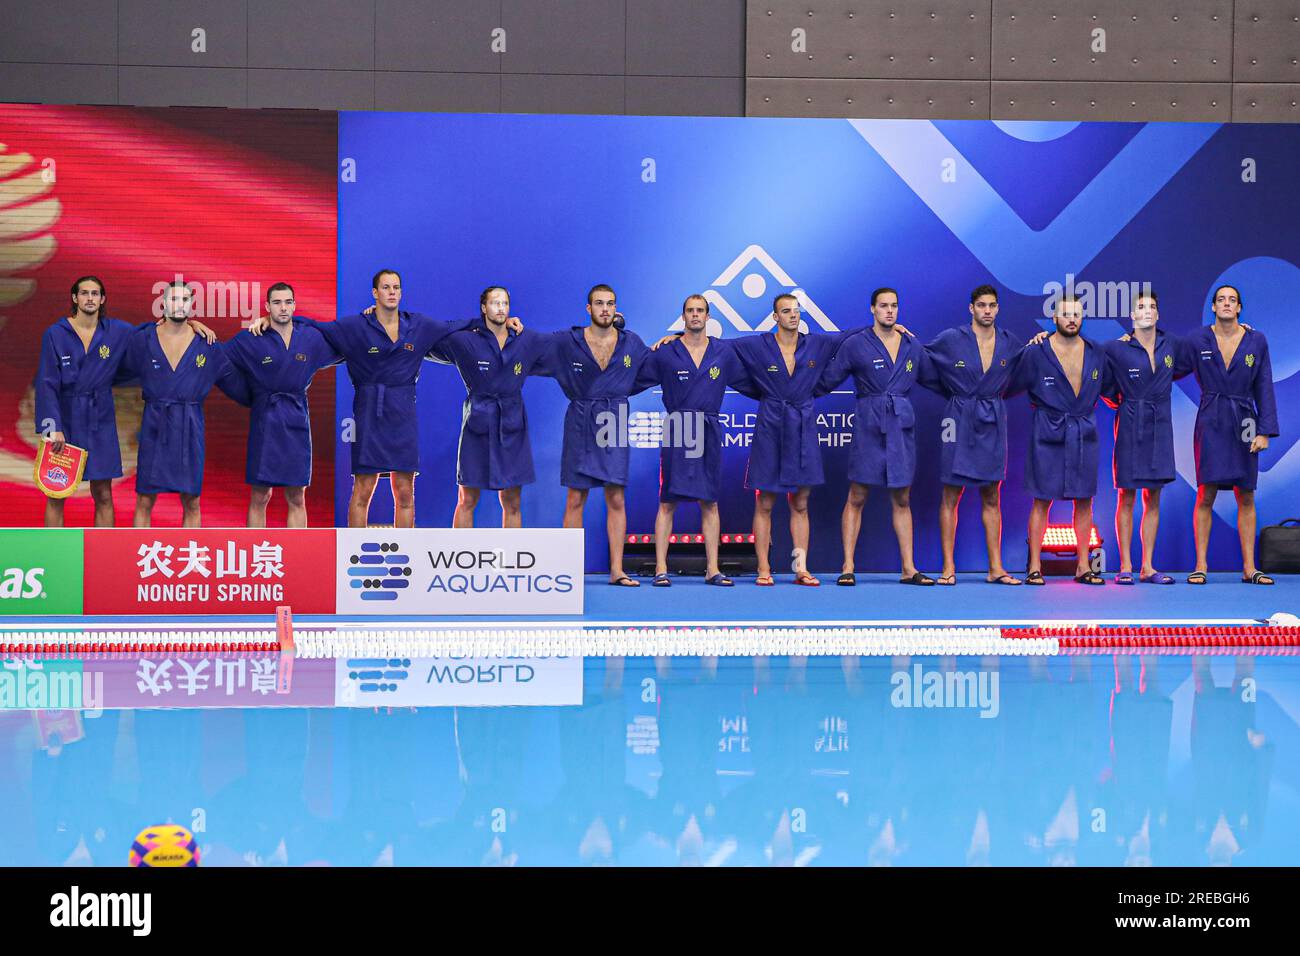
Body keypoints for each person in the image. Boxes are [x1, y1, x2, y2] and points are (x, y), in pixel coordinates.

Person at [250, 270, 515, 527]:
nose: (392, 292)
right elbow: (318, 326)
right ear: (375, 293)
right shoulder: (355, 326)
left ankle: (406, 553)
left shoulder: (418, 325)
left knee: (404, 490)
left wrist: (500, 322)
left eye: (396, 287)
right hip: (368, 413)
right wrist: (269, 322)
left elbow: (456, 325)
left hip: (403, 414)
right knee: (363, 489)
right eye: (386, 287)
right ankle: (353, 553)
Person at [33, 275, 215, 526]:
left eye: (95, 294)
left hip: (100, 418)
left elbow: (158, 331)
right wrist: (52, 428)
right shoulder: (55, 333)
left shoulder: (118, 331)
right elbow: (46, 383)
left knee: (104, 494)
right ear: (75, 298)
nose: (89, 298)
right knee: (56, 492)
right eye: (84, 293)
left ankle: (104, 557)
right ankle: (50, 557)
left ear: (103, 299)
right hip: (65, 418)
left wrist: (191, 324)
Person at [729, 293, 858, 586]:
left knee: (800, 503)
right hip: (770, 425)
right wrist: (677, 339)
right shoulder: (757, 344)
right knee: (764, 503)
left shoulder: (817, 344)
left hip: (802, 426)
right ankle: (764, 568)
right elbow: (715, 346)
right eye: (786, 311)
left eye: (796, 311)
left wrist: (887, 327)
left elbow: (847, 335)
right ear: (775, 317)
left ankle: (800, 568)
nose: (792, 316)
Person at [634, 294, 758, 586]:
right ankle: (660, 569)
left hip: (709, 431)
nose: (695, 315)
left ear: (708, 317)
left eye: (700, 311)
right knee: (667, 502)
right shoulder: (666, 352)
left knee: (710, 502)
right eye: (690, 311)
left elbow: (752, 382)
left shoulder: (723, 353)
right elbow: (633, 377)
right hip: (678, 429)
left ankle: (713, 569)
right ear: (683, 317)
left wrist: (781, 396)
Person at [818, 288, 935, 586]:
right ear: (872, 309)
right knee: (857, 495)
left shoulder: (911, 344)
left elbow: (939, 375)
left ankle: (909, 568)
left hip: (901, 426)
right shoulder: (856, 344)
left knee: (902, 497)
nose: (890, 311)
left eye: (894, 306)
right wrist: (793, 390)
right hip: (869, 423)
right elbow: (826, 379)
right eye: (883, 306)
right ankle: (848, 566)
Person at [537, 284, 652, 587]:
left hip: (614, 420)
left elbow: (654, 368)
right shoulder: (567, 341)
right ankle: (570, 570)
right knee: (575, 497)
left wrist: (669, 342)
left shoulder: (632, 343)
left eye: (610, 304)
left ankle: (617, 570)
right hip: (581, 420)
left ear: (616, 309)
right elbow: (532, 349)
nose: (605, 309)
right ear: (588, 309)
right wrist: (515, 329)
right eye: (599, 304)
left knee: (616, 496)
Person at [120, 280, 251, 528]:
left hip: (190, 426)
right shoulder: (143, 339)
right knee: (145, 499)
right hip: (154, 425)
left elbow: (238, 387)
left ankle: (191, 558)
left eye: (184, 300)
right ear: (163, 304)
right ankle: (136, 560)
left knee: (192, 500)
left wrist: (267, 398)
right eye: (173, 299)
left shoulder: (207, 344)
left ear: (191, 305)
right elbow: (114, 370)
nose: (178, 305)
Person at [918, 284, 1024, 585]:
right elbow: (921, 361)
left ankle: (996, 568)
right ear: (971, 308)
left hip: (992, 418)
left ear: (998, 308)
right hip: (957, 419)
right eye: (981, 305)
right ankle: (948, 568)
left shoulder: (1010, 342)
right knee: (951, 493)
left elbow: (1028, 368)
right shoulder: (951, 339)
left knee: (992, 495)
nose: (987, 311)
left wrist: (1043, 338)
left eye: (992, 306)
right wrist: (954, 394)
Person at [1011, 294, 1115, 585]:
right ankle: (1034, 566)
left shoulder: (1097, 352)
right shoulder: (1036, 352)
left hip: (1083, 431)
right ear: (1054, 318)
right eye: (1066, 314)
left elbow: (1111, 391)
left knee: (1084, 501)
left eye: (1077, 314)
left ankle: (1083, 566)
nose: (1072, 319)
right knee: (1041, 501)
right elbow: (1008, 384)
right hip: (1048, 431)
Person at [428, 286, 548, 527]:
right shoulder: (465, 340)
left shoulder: (525, 339)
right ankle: (461, 562)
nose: (501, 308)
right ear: (484, 308)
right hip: (478, 423)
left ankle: (511, 563)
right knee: (467, 498)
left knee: (512, 501)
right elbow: (429, 336)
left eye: (505, 303)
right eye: (495, 303)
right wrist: (474, 322)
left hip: (512, 425)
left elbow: (562, 347)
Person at [225, 282, 341, 527]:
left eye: (288, 302)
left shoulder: (310, 337)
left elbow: (345, 341)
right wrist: (246, 395)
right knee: (260, 494)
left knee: (297, 496)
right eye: (277, 303)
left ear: (295, 305)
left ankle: (296, 557)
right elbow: (218, 361)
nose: (283, 308)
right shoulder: (252, 337)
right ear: (267, 307)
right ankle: (257, 552)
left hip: (298, 420)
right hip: (266, 420)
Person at [1184, 285, 1279, 585]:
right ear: (1213, 307)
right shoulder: (1197, 339)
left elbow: (1264, 385)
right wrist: (1131, 340)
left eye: (1232, 300)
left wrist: (1265, 431)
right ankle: (1201, 566)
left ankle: (1249, 568)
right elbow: (1164, 358)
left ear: (1239, 308)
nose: (1226, 304)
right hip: (1210, 418)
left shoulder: (1256, 340)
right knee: (1205, 494)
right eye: (1221, 300)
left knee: (1246, 495)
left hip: (1244, 421)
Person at [1099, 290, 1185, 584]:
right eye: (1140, 307)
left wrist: (1243, 330)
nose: (1146, 310)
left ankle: (1147, 567)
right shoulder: (1115, 348)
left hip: (1160, 424)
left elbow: (1204, 349)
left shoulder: (1171, 343)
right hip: (1130, 422)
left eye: (1151, 306)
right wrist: (1120, 401)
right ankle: (1125, 566)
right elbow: (1099, 377)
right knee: (1126, 496)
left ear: (1158, 315)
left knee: (1154, 497)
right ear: (1132, 316)